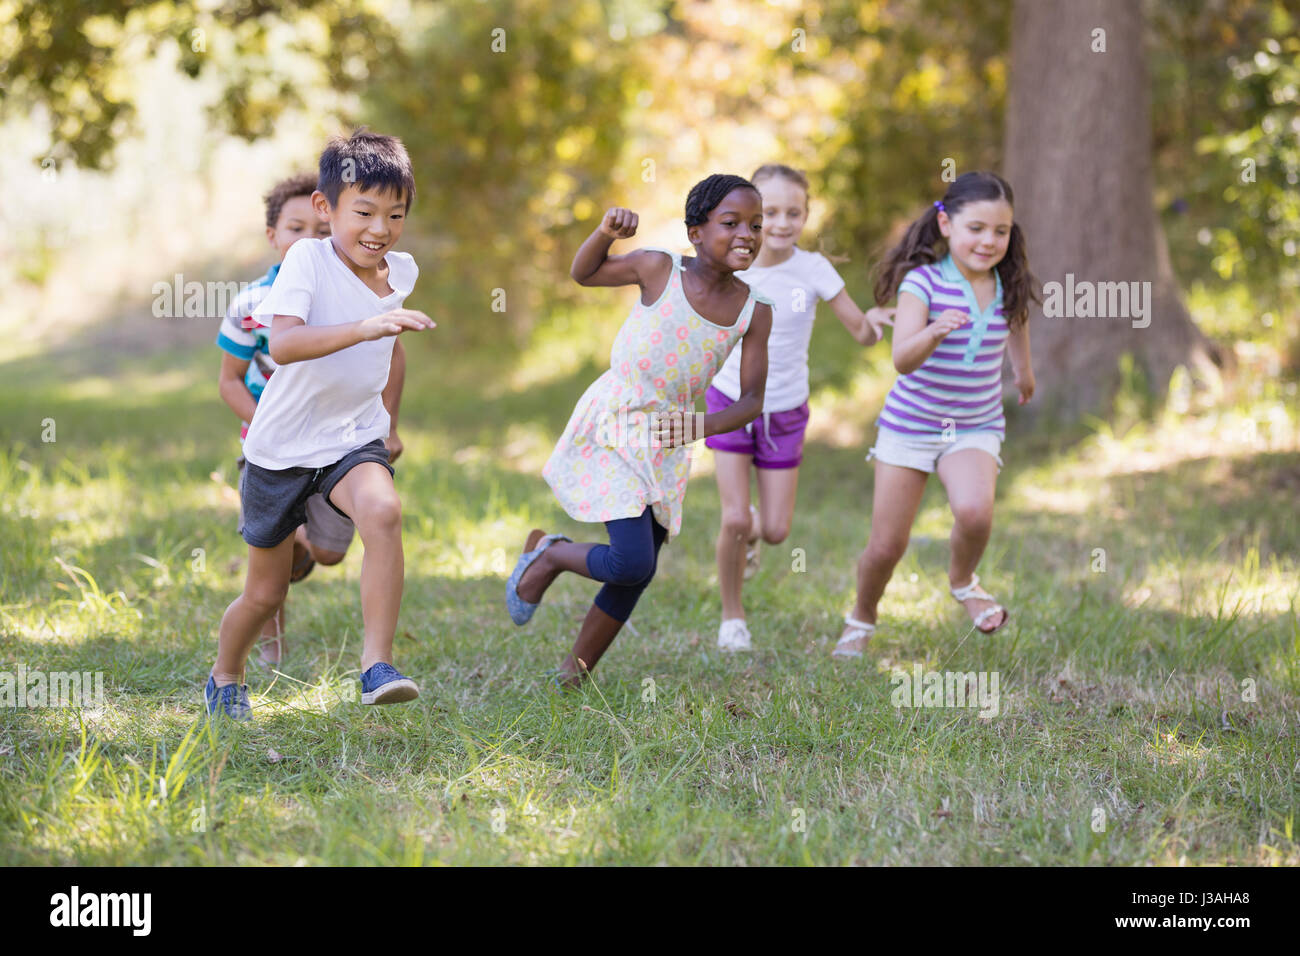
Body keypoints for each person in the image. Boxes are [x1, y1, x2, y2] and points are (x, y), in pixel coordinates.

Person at [506, 174, 774, 687]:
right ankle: (552, 555)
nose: (748, 234)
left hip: (670, 436)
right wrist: (605, 233)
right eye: (732, 223)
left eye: (756, 226)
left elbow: (753, 402)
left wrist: (701, 424)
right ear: (695, 232)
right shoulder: (658, 267)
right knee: (629, 560)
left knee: (641, 568)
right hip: (617, 420)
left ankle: (573, 674)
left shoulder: (755, 310)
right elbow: (584, 273)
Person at [204, 129, 433, 719]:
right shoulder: (307, 259)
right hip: (279, 450)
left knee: (383, 512)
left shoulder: (399, 274)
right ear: (326, 209)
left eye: (395, 214)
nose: (380, 228)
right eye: (364, 212)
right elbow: (283, 343)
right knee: (264, 595)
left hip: (351, 437)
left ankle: (376, 665)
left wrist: (390, 422)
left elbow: (390, 354)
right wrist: (363, 328)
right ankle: (226, 676)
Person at [833, 171, 1038, 659]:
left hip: (975, 424)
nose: (989, 241)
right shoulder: (921, 283)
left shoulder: (1008, 285)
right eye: (977, 228)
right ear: (945, 224)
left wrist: (1025, 375)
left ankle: (964, 582)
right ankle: (861, 617)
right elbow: (902, 358)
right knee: (886, 546)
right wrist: (933, 333)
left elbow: (1018, 329)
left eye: (1001, 231)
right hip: (910, 426)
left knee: (974, 512)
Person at [705, 163, 893, 652]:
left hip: (784, 410)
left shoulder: (813, 269)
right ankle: (732, 619)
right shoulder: (729, 263)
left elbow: (860, 331)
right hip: (729, 401)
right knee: (735, 520)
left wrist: (875, 322)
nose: (783, 223)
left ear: (807, 215)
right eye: (770, 212)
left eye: (795, 212)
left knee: (774, 530)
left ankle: (749, 533)